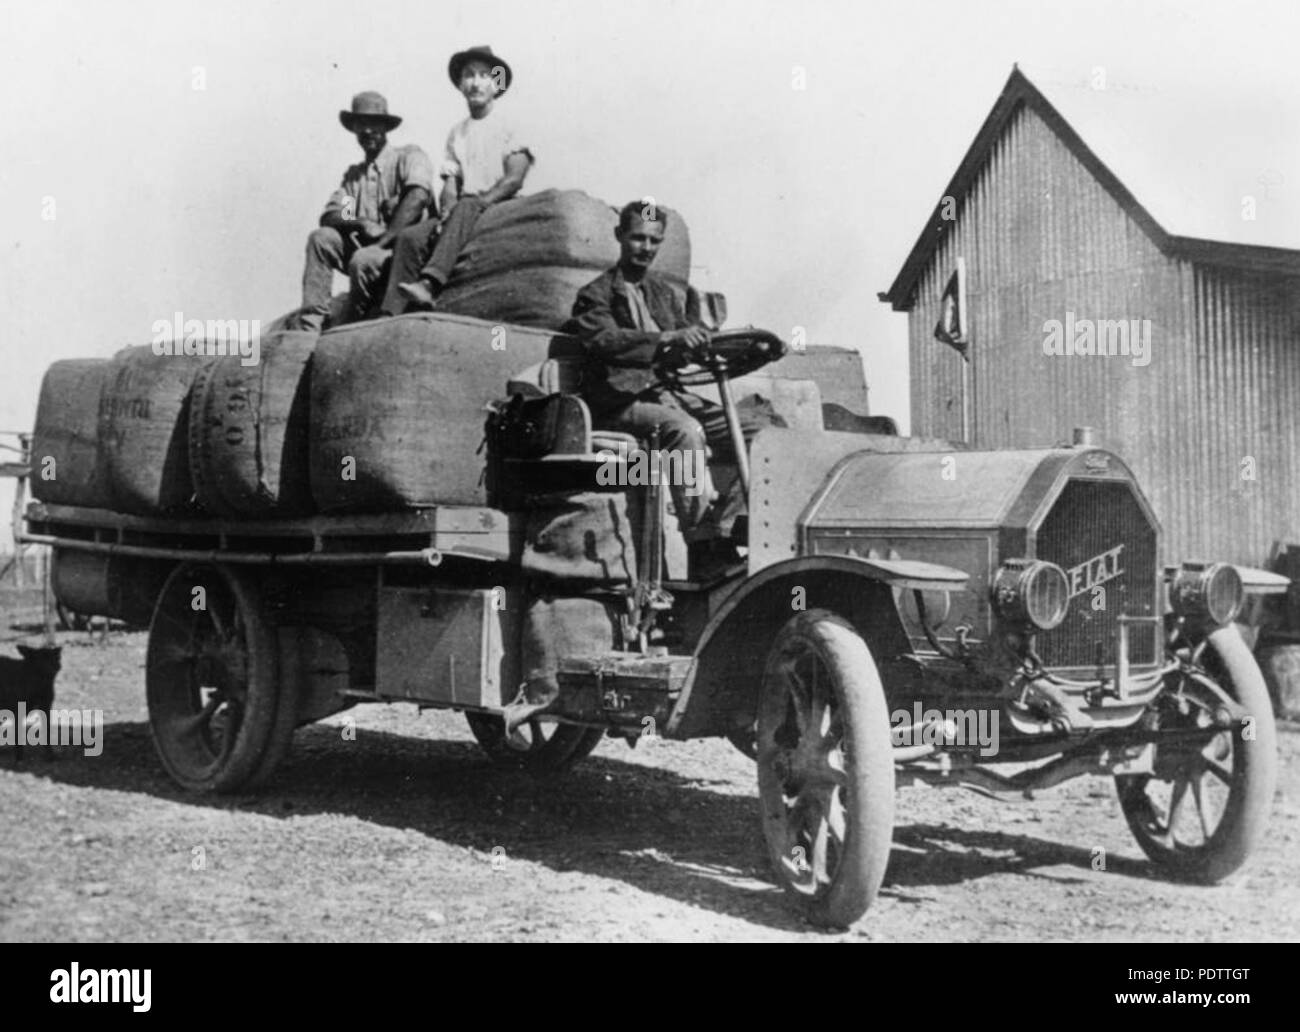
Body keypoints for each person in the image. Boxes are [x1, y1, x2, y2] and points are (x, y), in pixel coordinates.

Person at [565, 200, 772, 563]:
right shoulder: (594, 296)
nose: (646, 248)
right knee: (684, 431)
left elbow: (681, 346)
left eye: (654, 241)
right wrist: (666, 341)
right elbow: (605, 342)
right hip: (620, 401)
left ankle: (730, 526)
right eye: (638, 238)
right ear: (620, 237)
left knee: (764, 431)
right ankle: (703, 544)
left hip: (667, 393)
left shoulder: (662, 294)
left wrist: (704, 344)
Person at [381, 45, 533, 315]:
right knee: (411, 236)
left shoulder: (510, 124)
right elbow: (451, 184)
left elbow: (514, 179)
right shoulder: (457, 132)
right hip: (465, 209)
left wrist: (478, 202)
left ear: (496, 83)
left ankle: (430, 282)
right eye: (469, 75)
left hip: (500, 205)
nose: (475, 83)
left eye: (484, 75)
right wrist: (447, 211)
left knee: (467, 205)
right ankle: (391, 311)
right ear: (461, 85)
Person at [296, 92, 434, 331]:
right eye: (361, 124)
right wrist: (360, 224)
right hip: (367, 255)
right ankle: (310, 324)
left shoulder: (408, 157)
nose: (368, 131)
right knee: (321, 238)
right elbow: (334, 215)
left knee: (363, 260)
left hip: (403, 255)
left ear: (386, 127)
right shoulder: (355, 178)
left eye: (374, 123)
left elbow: (418, 196)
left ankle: (358, 320)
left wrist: (384, 239)